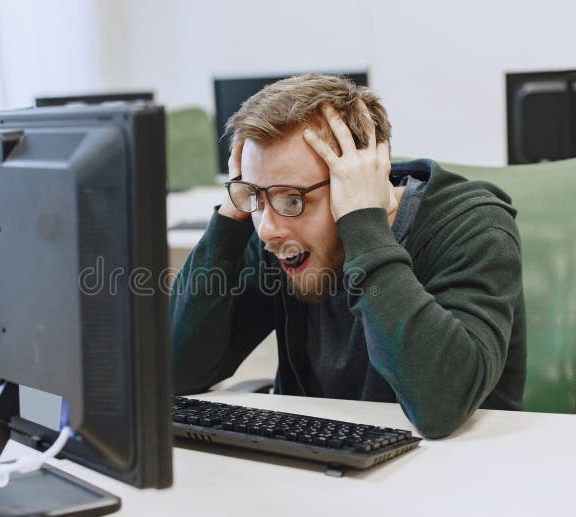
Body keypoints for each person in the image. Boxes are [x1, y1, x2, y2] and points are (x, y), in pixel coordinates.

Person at [170, 74, 526, 439]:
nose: (267, 230)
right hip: (322, 468)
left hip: (457, 477)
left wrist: (363, 226)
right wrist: (232, 218)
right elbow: (175, 372)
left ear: (357, 182)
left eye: (293, 199)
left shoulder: (474, 227)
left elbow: (440, 407)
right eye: (256, 197)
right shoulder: (280, 235)